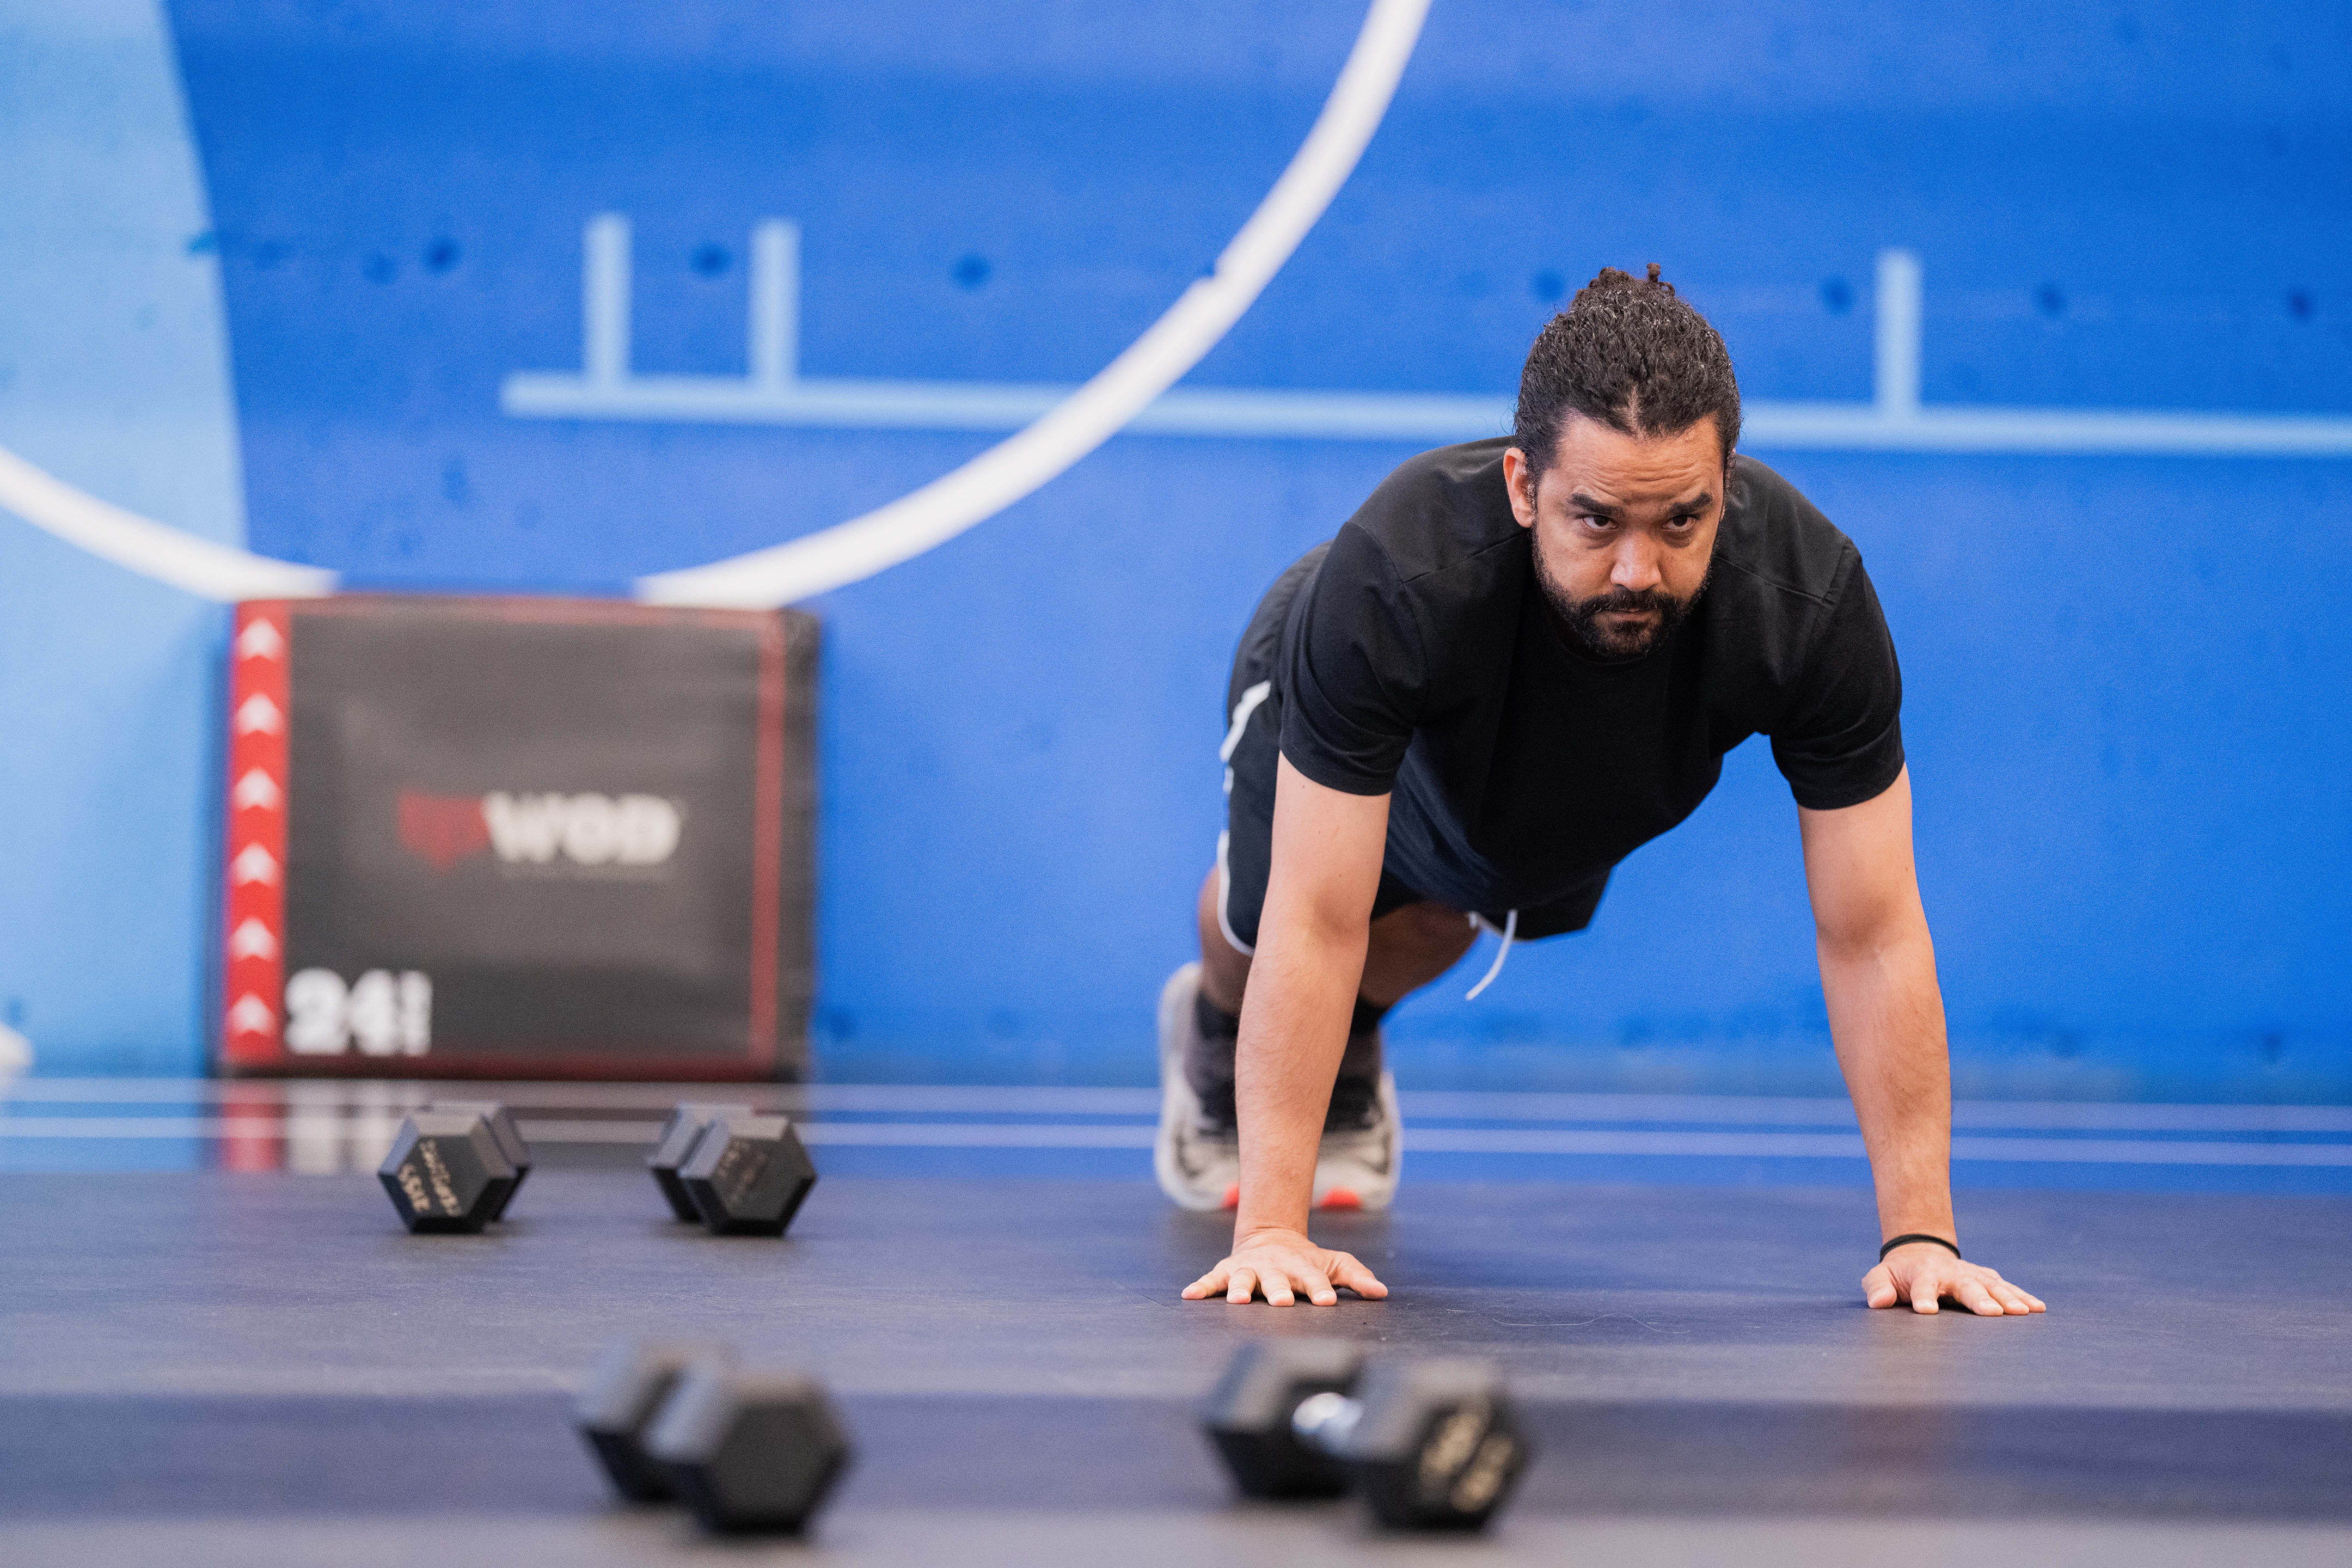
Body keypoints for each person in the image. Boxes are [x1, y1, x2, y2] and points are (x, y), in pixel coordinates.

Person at [1158, 265, 2044, 1320]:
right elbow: (1317, 917)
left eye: (1681, 522)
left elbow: (1876, 931)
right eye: (1598, 520)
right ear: (1524, 487)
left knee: (1460, 913)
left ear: (1727, 484)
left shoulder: (1808, 606)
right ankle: (1215, 1026)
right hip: (1364, 697)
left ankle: (1351, 1032)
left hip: (1564, 759)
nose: (1638, 567)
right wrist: (1273, 1229)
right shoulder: (1397, 578)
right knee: (1267, 921)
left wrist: (1922, 1237)